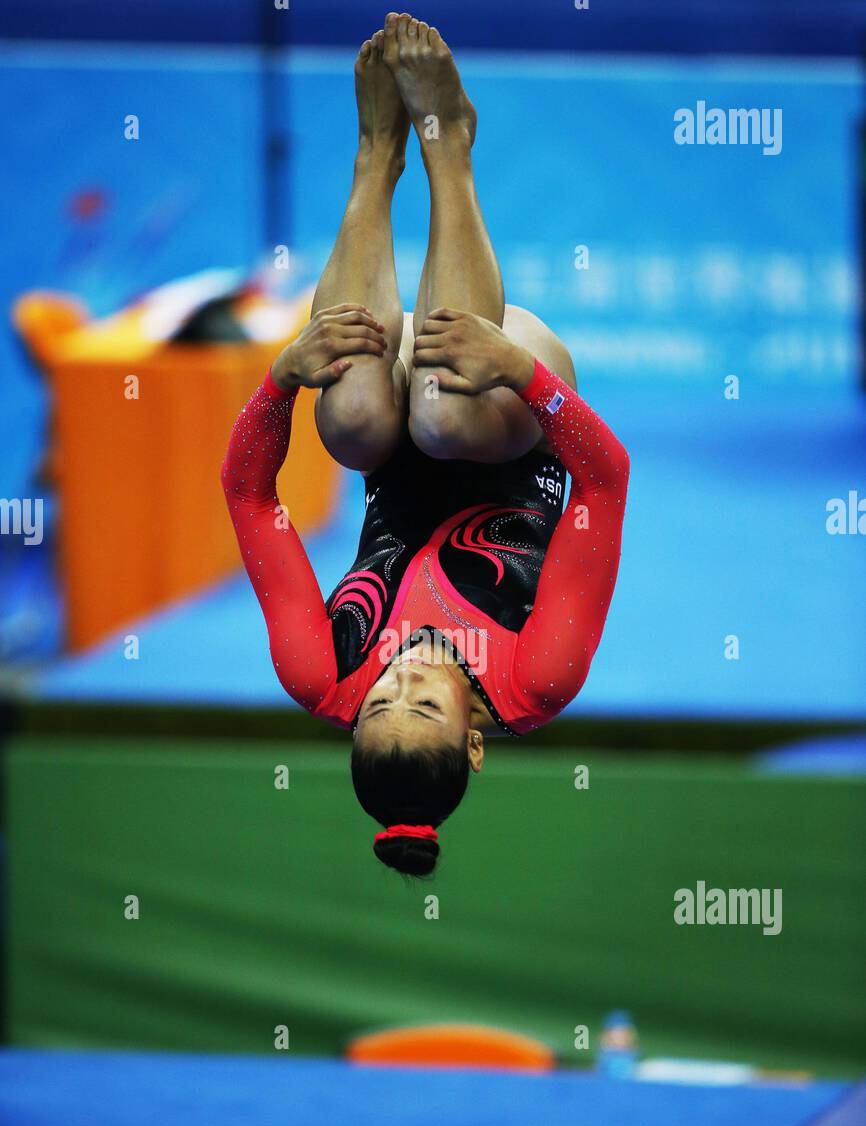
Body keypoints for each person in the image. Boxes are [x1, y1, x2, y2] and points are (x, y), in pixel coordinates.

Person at [222, 14, 629, 876]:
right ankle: (451, 148)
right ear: (474, 741)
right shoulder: (537, 677)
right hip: (505, 402)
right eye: (424, 706)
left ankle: (378, 156)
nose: (397, 680)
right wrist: (523, 371)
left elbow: (250, 497)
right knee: (443, 416)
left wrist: (283, 380)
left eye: (379, 706)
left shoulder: (318, 670)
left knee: (357, 422)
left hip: (395, 396)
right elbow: (605, 483)